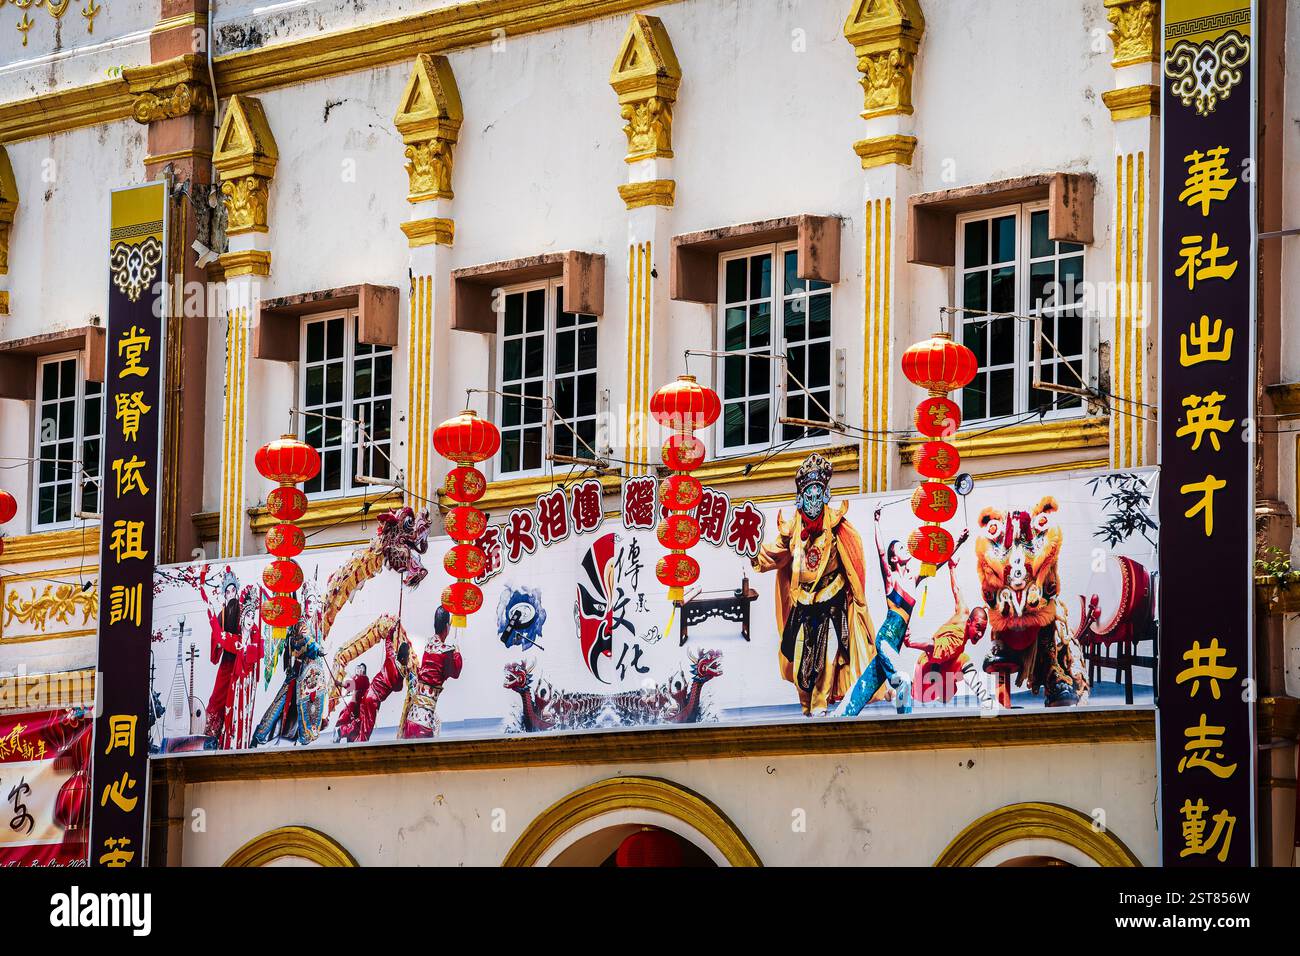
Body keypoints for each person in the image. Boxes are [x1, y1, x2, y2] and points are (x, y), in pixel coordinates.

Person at [751, 454, 874, 716]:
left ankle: (821, 705)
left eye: (818, 494)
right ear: (801, 498)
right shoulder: (793, 528)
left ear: (826, 495)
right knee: (799, 661)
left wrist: (858, 600)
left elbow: (853, 558)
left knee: (827, 653)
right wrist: (753, 552)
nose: (814, 500)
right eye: (809, 495)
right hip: (804, 601)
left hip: (833, 599)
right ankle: (806, 704)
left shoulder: (837, 525)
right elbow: (774, 553)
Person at [838, 508, 967, 717]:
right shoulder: (891, 580)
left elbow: (937, 563)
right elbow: (881, 553)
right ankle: (905, 721)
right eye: (900, 548)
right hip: (886, 640)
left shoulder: (913, 580)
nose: (905, 549)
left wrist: (959, 543)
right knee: (904, 680)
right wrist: (876, 521)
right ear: (894, 558)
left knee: (867, 684)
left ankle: (842, 715)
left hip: (894, 645)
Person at [905, 552, 995, 708]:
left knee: (958, 668)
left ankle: (985, 699)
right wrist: (910, 642)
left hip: (941, 670)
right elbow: (931, 644)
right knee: (915, 693)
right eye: (978, 628)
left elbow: (956, 591)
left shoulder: (964, 612)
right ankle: (898, 691)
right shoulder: (954, 641)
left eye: (983, 630)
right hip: (927, 671)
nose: (980, 634)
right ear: (970, 623)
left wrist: (952, 568)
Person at [401, 606, 464, 738]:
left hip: (412, 718)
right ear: (447, 626)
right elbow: (455, 672)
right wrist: (457, 652)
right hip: (424, 723)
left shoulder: (428, 645)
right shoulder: (446, 651)